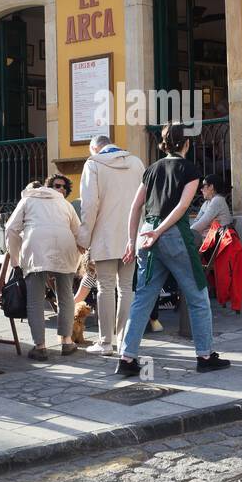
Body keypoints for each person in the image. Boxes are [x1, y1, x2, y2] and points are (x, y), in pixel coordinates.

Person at [118, 123, 231, 377]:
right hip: (172, 235)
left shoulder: (151, 169)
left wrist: (130, 240)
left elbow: (135, 207)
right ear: (186, 144)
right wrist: (160, 232)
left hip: (146, 233)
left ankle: (126, 358)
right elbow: (181, 207)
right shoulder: (190, 170)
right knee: (198, 296)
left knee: (143, 298)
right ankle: (204, 355)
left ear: (163, 144)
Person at [75, 134, 146, 355]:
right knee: (126, 288)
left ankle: (106, 342)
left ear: (94, 148)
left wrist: (83, 239)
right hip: (132, 236)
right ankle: (125, 340)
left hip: (104, 236)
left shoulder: (93, 164)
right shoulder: (136, 162)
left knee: (105, 287)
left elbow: (89, 206)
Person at [4, 175, 81, 361]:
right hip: (65, 244)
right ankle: (67, 341)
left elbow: (10, 228)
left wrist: (15, 258)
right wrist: (80, 258)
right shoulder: (64, 203)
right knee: (66, 295)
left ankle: (40, 346)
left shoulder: (28, 199)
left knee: (35, 300)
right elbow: (79, 232)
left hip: (36, 245)